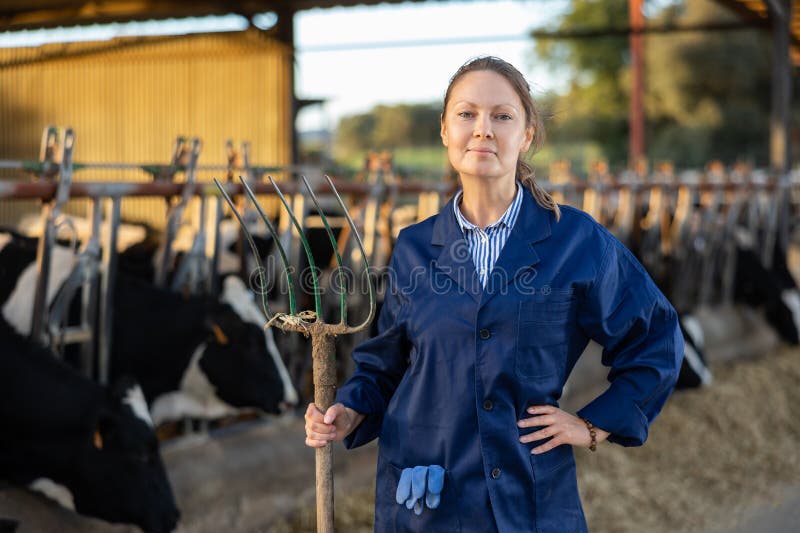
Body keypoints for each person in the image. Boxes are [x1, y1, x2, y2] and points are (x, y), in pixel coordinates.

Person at [304, 56, 683, 532]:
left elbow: (656, 338)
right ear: (444, 130)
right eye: (466, 114)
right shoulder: (415, 248)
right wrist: (350, 410)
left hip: (528, 494)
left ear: (526, 135)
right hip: (428, 496)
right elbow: (387, 364)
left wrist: (592, 425)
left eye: (502, 116)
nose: (483, 129)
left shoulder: (576, 242)